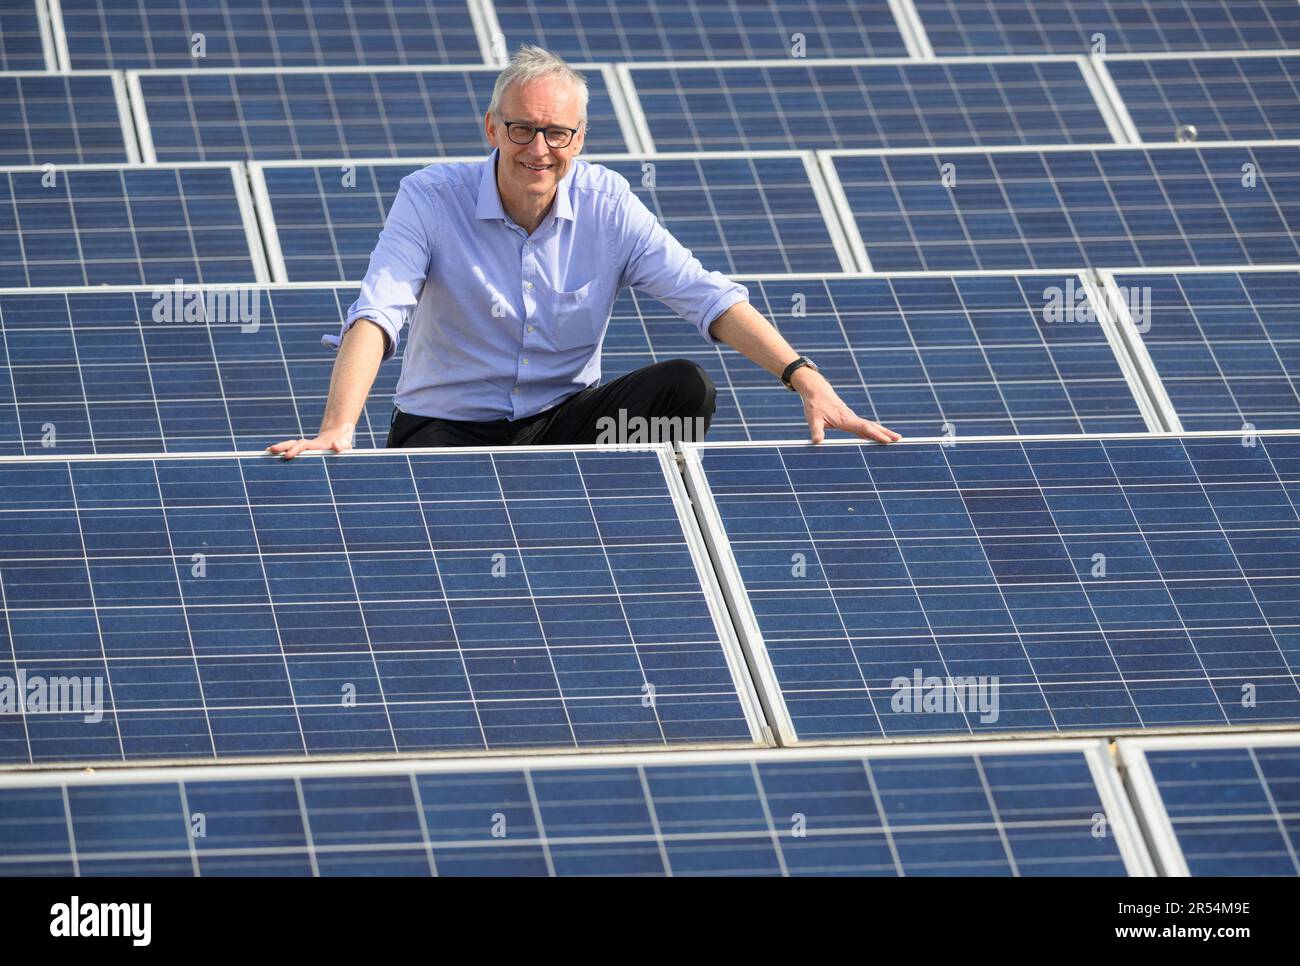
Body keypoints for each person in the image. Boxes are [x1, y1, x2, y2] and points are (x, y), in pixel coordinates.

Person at [268, 45, 900, 459]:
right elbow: (380, 311)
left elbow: (706, 296)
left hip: (566, 426)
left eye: (557, 133)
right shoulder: (430, 197)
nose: (539, 149)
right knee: (454, 503)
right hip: (447, 430)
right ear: (493, 128)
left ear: (580, 136)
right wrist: (338, 426)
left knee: (684, 388)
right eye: (522, 129)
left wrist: (805, 379)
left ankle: (625, 504)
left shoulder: (608, 203)